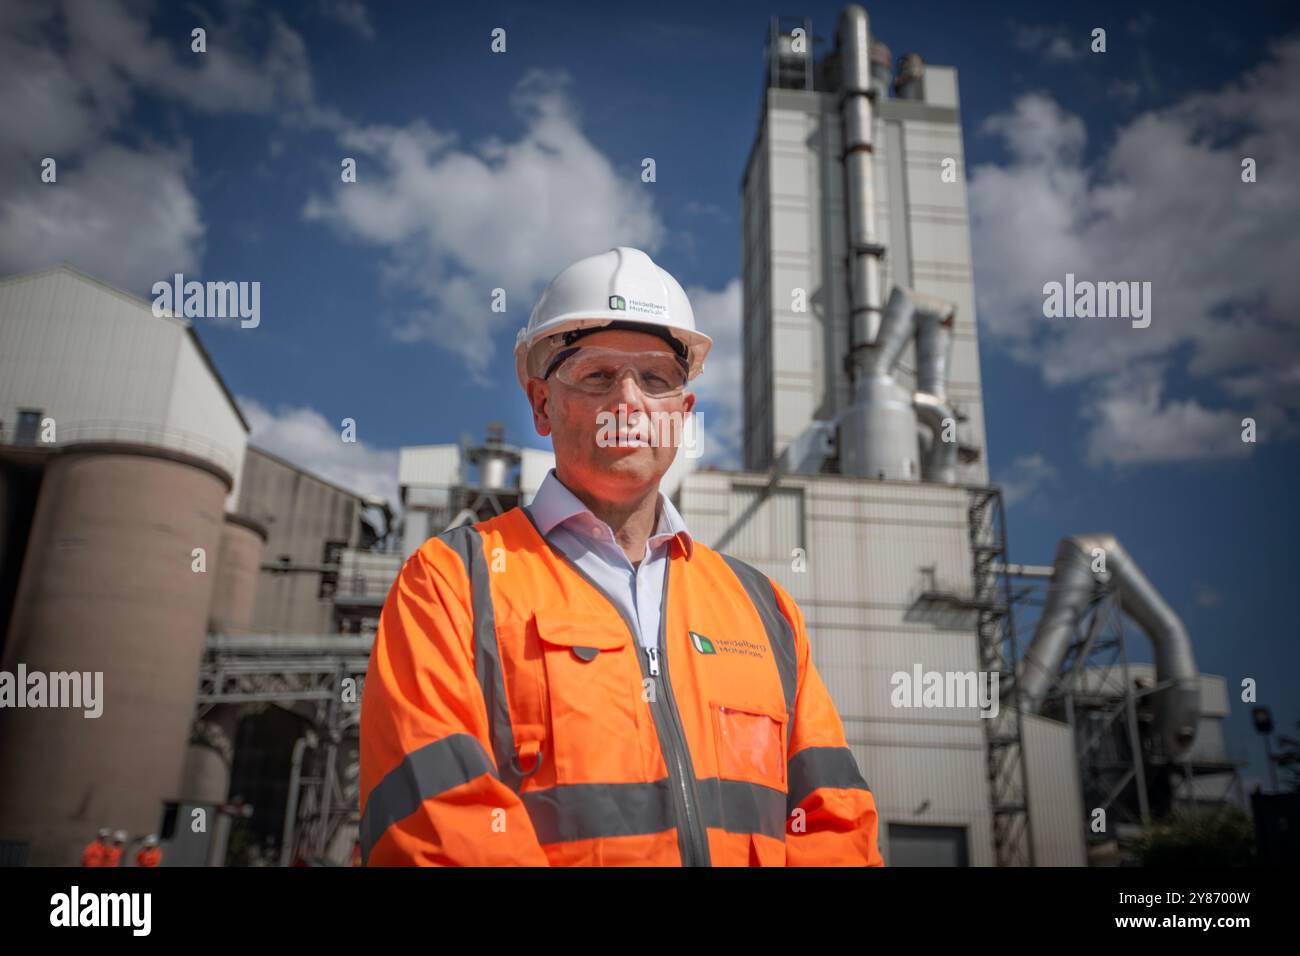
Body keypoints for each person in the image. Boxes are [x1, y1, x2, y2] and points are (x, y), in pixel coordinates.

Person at [359, 246, 884, 866]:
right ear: (542, 405)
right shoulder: (453, 584)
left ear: (682, 414)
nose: (629, 402)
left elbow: (835, 822)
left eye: (657, 379)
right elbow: (438, 828)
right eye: (598, 375)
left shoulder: (764, 612)